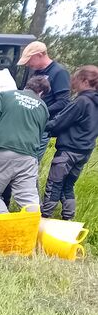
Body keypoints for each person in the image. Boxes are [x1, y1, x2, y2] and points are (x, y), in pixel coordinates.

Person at [0, 76, 50, 214]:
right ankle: (34, 230)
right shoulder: (43, 107)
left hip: (4, 150)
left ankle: (6, 224)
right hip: (29, 156)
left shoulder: (5, 95)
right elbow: (40, 133)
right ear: (41, 93)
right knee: (29, 200)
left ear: (27, 85)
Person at [41, 65, 98, 221]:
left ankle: (44, 218)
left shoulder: (81, 101)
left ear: (85, 81)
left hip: (68, 151)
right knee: (68, 186)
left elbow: (59, 122)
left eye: (76, 80)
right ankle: (68, 219)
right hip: (84, 152)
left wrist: (39, 125)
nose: (73, 84)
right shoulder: (95, 102)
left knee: (54, 184)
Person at [18, 41, 71, 159]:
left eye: (29, 59)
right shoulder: (36, 72)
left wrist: (39, 110)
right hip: (28, 123)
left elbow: (63, 102)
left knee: (31, 160)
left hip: (41, 126)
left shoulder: (59, 72)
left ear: (40, 55)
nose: (27, 64)